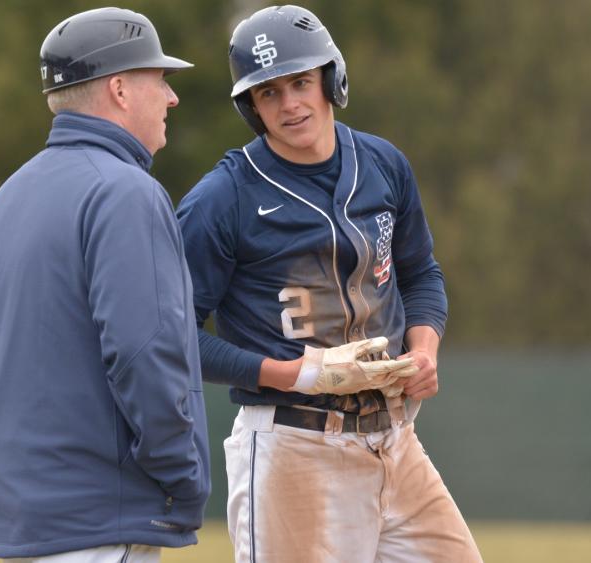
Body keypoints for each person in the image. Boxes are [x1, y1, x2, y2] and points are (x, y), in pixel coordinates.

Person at [176, 5, 482, 562]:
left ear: (331, 79)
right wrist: (295, 374)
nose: (290, 103)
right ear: (251, 106)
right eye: (269, 92)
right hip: (294, 447)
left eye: (300, 81)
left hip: (395, 440)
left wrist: (425, 349)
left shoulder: (384, 164)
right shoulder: (223, 198)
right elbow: (171, 335)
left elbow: (421, 274)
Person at [0, 8, 209, 562]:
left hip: (22, 522)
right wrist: (182, 476)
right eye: (160, 79)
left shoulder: (5, 198)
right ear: (120, 89)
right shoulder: (125, 191)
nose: (171, 98)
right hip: (100, 521)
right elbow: (144, 353)